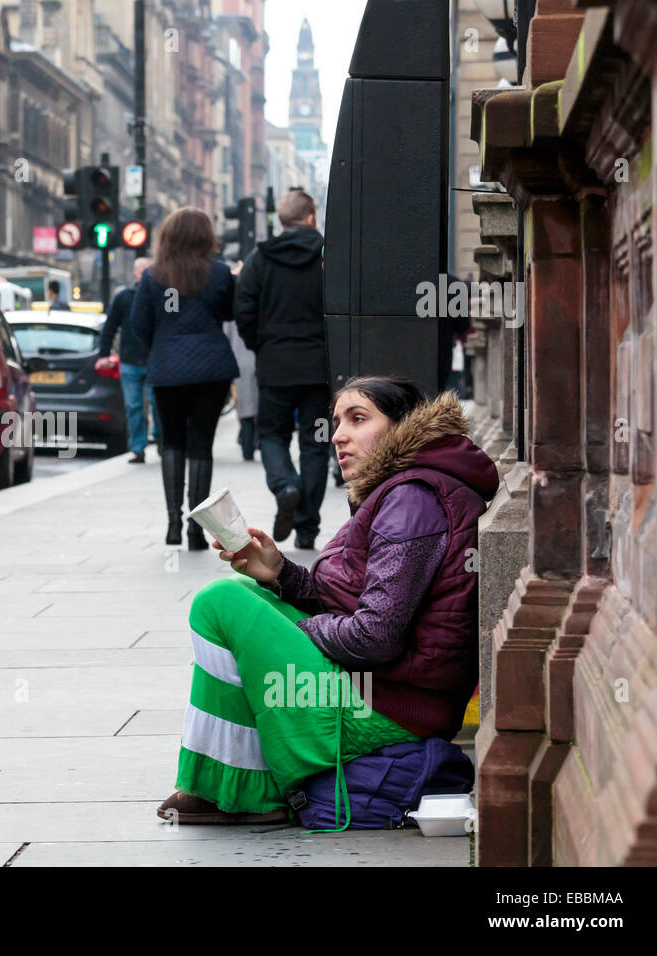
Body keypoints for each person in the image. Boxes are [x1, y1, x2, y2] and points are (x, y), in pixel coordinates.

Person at [156, 378, 498, 824]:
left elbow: (375, 637)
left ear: (403, 427)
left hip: (388, 711)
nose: (337, 435)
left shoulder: (413, 500)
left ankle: (242, 789)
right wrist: (280, 573)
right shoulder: (406, 489)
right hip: (384, 689)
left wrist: (293, 633)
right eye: (337, 422)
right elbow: (354, 598)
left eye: (358, 419)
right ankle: (230, 780)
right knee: (242, 591)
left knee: (220, 601)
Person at [129, 207, 238, 550]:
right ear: (205, 236)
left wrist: (163, 346)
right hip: (211, 367)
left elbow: (139, 325)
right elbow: (230, 312)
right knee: (201, 444)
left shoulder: (153, 276)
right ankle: (196, 528)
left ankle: (173, 523)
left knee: (172, 442)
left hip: (168, 370)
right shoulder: (219, 274)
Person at [234, 189, 331, 550]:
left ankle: (285, 485)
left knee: (272, 434)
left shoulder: (260, 258)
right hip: (320, 366)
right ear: (310, 217)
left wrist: (260, 344)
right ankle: (307, 528)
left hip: (275, 364)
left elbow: (243, 308)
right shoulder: (328, 254)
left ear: (281, 220)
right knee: (316, 443)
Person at [96, 256, 159, 464]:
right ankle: (138, 447)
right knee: (133, 406)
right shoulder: (123, 297)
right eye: (143, 273)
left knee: (158, 403)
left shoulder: (164, 295)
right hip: (131, 360)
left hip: (155, 360)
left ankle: (161, 438)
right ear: (135, 275)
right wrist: (103, 354)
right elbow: (110, 327)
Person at [225, 261, 258, 461]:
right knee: (259, 408)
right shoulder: (260, 298)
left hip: (240, 361)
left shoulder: (232, 307)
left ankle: (247, 446)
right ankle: (255, 441)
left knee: (245, 409)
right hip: (259, 358)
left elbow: (227, 336)